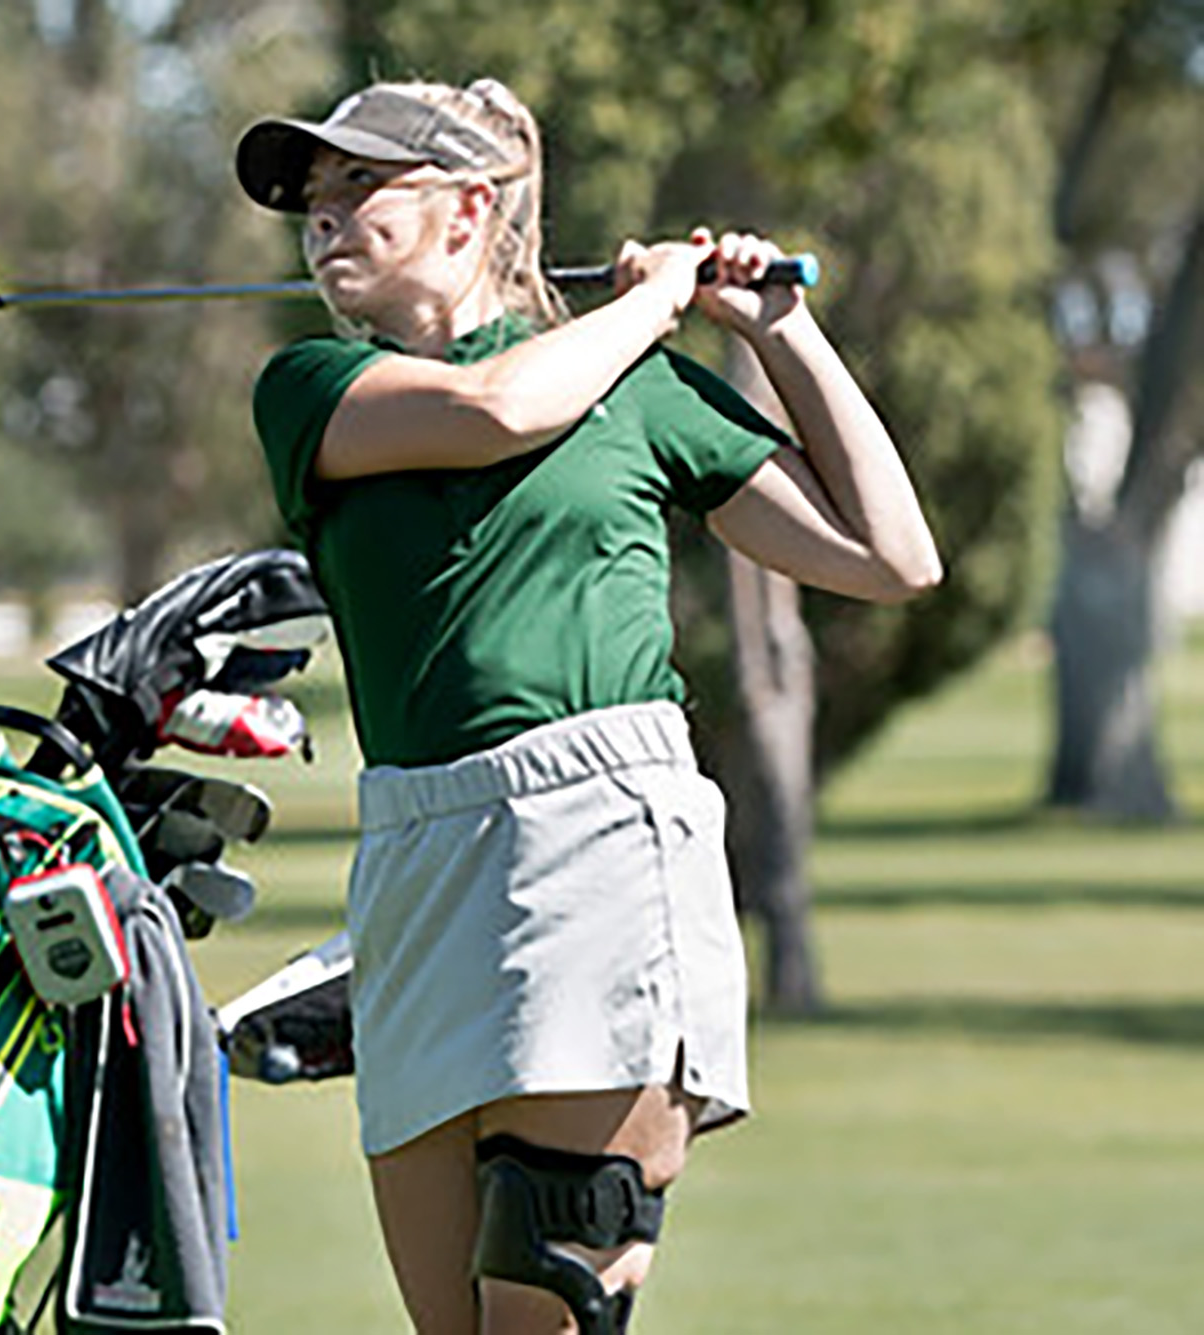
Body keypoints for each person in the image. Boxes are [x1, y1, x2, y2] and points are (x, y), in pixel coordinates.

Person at [234, 79, 942, 1334]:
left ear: (469, 209)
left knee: (546, 1312)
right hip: (414, 852)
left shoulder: (634, 389)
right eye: (310, 198)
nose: (321, 217)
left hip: (601, 833)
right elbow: (497, 410)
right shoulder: (309, 386)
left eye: (357, 186)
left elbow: (890, 557)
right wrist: (656, 302)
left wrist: (777, 331)